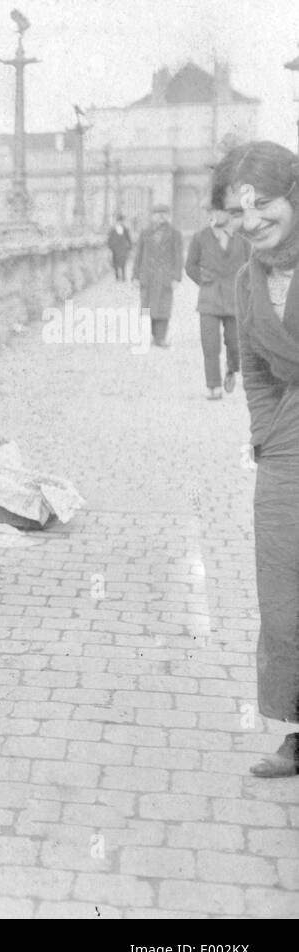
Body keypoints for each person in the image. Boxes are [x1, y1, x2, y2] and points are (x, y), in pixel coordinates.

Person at [213, 141, 299, 777]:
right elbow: (255, 368)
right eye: (239, 211)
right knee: (284, 584)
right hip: (289, 440)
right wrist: (267, 436)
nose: (253, 221)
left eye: (264, 203)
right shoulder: (248, 280)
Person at [185, 197, 250, 399]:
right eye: (210, 212)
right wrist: (204, 282)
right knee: (210, 344)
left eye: (219, 211)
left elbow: (252, 266)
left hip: (234, 300)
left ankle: (232, 368)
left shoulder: (242, 239)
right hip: (209, 300)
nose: (214, 215)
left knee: (235, 344)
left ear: (228, 214)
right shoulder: (200, 237)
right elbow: (190, 266)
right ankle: (213, 386)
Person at [133, 203, 183, 348]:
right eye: (157, 213)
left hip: (165, 277)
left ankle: (160, 338)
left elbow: (179, 257)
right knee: (146, 307)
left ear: (169, 216)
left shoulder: (175, 234)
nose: (161, 216)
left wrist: (176, 277)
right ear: (152, 216)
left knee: (163, 307)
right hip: (147, 276)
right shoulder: (145, 233)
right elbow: (138, 255)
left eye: (164, 213)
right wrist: (135, 276)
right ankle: (146, 336)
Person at [106, 214, 134, 281]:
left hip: (122, 248)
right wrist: (110, 246)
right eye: (119, 221)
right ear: (117, 221)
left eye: (121, 221)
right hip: (115, 248)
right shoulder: (113, 229)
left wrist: (130, 246)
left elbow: (128, 238)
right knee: (115, 263)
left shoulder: (125, 229)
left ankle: (124, 276)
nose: (120, 222)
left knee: (123, 262)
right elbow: (109, 238)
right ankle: (117, 276)